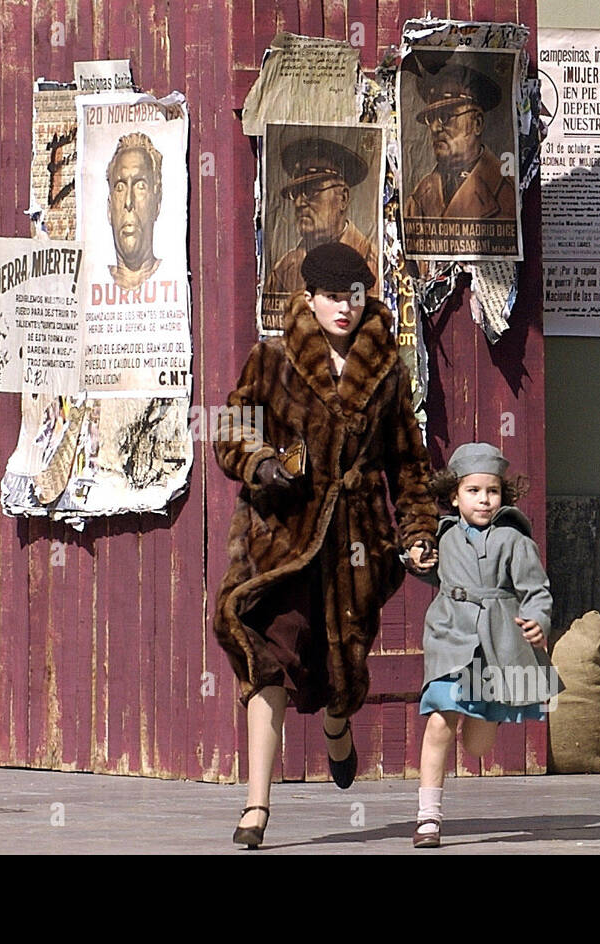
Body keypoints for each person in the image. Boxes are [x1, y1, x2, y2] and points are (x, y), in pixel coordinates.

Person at [213, 242, 437, 849]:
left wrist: (418, 532)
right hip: (281, 538)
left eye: (356, 296)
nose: (345, 307)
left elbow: (409, 465)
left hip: (354, 548)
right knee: (267, 659)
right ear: (309, 299)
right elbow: (231, 425)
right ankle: (257, 805)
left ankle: (339, 727)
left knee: (343, 669)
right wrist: (260, 464)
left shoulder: (387, 371)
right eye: (334, 296)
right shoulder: (272, 358)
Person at [405, 442, 557, 848]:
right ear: (454, 495)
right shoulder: (443, 535)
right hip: (449, 636)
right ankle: (428, 818)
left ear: (502, 496)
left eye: (492, 491)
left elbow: (536, 590)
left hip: (496, 643)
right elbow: (428, 573)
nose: (484, 499)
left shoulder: (514, 539)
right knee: (440, 719)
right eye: (473, 491)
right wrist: (416, 561)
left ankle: (485, 716)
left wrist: (538, 620)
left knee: (477, 744)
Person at [263, 137, 380, 300]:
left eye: (311, 191)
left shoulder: (372, 261)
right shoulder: (284, 269)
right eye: (295, 193)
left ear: (343, 198)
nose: (299, 203)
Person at [404, 64, 517, 222]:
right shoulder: (420, 194)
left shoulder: (506, 190)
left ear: (477, 123)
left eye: (445, 117)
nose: (435, 127)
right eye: (431, 118)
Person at [105, 132, 163, 289]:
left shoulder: (170, 274)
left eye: (140, 186)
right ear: (109, 208)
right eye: (120, 187)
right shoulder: (90, 280)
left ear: (157, 204)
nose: (128, 202)